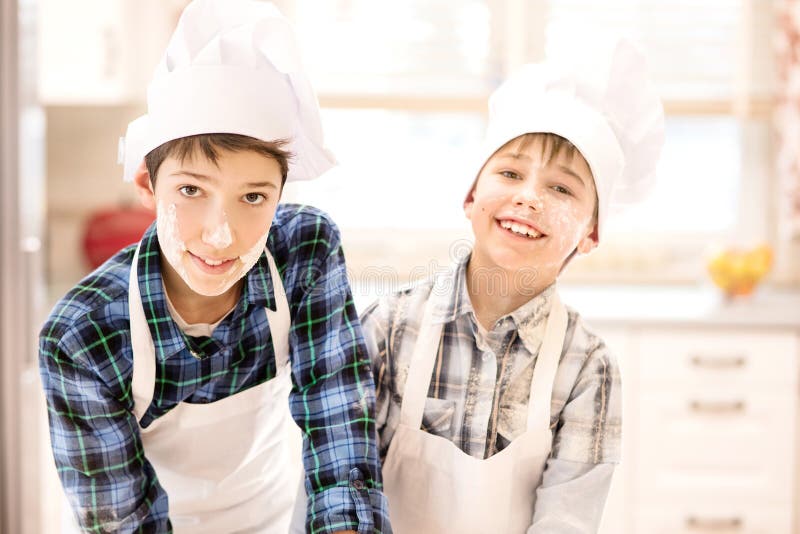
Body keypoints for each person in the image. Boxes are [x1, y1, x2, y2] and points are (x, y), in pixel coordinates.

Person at [38, 1, 389, 532]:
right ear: (146, 186)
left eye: (253, 197)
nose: (220, 234)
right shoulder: (83, 334)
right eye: (191, 191)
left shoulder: (304, 250)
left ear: (280, 197)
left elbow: (338, 423)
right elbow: (120, 519)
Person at [360, 37, 664, 533]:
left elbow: (567, 518)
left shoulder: (589, 367)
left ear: (591, 233)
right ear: (470, 196)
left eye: (561, 188)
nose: (529, 197)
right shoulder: (390, 328)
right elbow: (341, 481)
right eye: (510, 172)